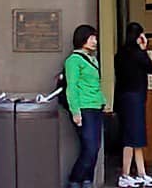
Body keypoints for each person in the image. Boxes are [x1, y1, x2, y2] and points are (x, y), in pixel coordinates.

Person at [115, 22, 152, 188]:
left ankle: (141, 173)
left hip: (124, 97)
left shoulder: (120, 55)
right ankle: (125, 174)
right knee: (133, 137)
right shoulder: (138, 54)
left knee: (134, 136)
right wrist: (144, 48)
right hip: (136, 98)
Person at [64, 25, 106, 188]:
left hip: (96, 106)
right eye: (91, 38)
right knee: (90, 147)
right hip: (84, 108)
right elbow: (71, 87)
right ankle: (75, 180)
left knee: (95, 148)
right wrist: (75, 111)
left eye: (95, 38)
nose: (95, 41)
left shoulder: (93, 59)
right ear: (82, 39)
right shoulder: (73, 61)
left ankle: (87, 180)